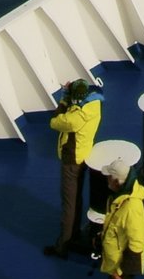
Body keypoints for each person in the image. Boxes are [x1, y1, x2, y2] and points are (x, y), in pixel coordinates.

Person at [42, 78, 102, 258]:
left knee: (69, 203)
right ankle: (74, 232)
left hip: (72, 161)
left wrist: (64, 98)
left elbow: (54, 121)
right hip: (84, 155)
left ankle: (63, 246)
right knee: (76, 198)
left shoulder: (75, 118)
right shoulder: (94, 105)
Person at [96, 154, 144, 279]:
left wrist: (121, 273)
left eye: (109, 177)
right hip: (119, 266)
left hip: (121, 268)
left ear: (117, 181)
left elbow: (137, 243)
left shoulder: (131, 207)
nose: (107, 180)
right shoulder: (120, 198)